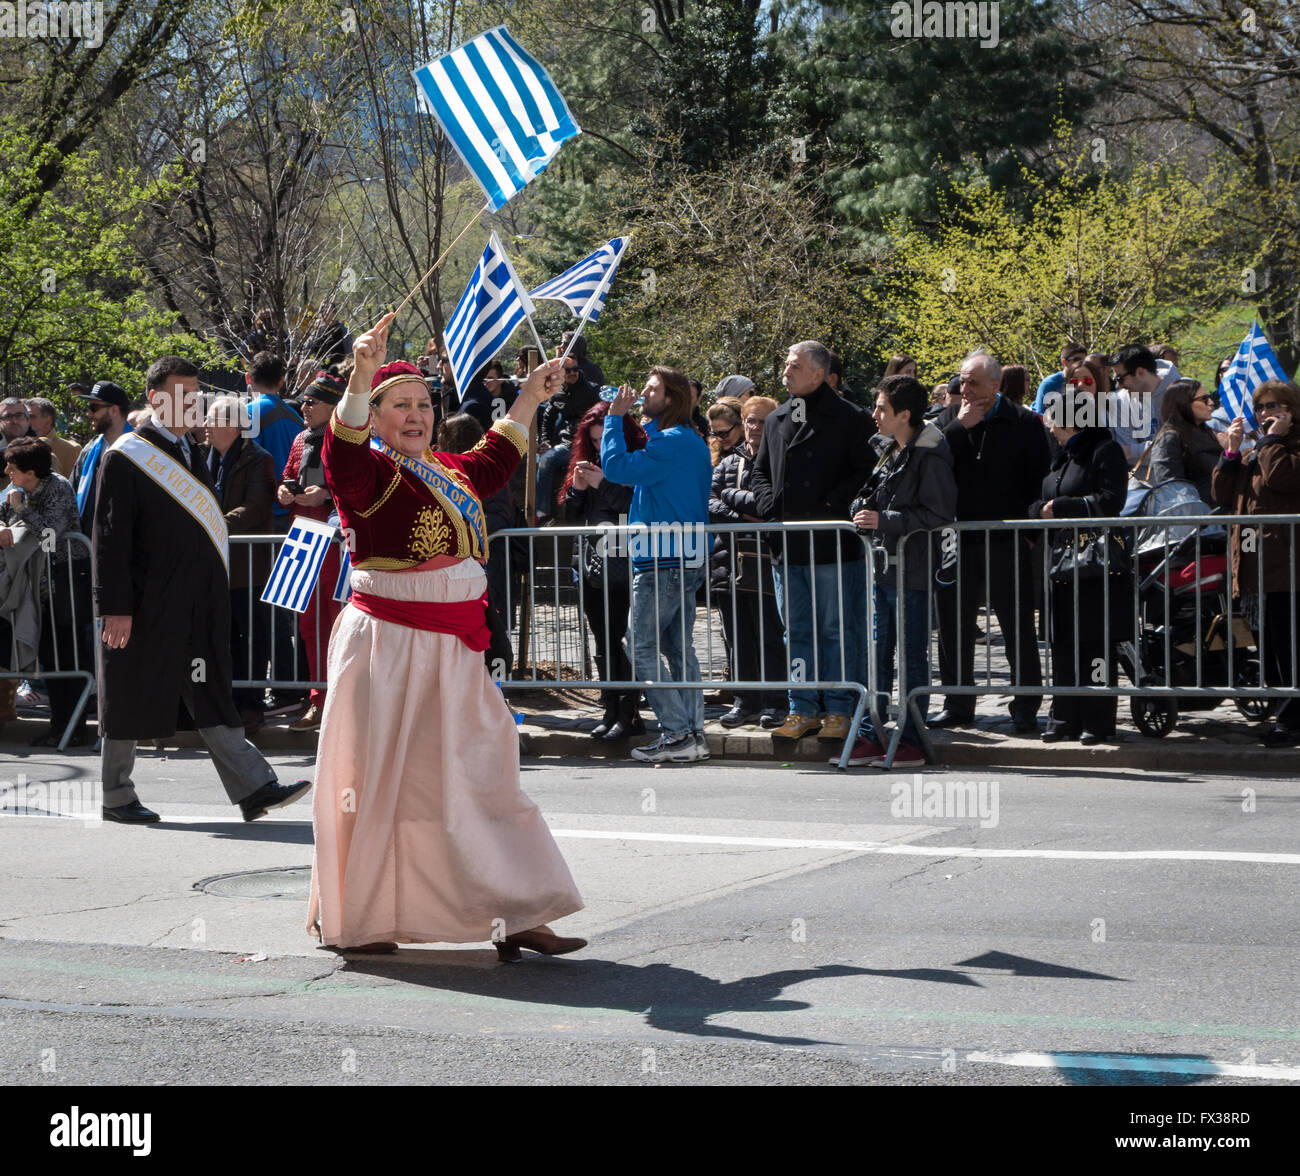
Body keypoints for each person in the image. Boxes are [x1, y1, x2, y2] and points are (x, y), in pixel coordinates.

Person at [309, 312, 586, 960]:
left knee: (486, 775)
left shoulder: (450, 469)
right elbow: (338, 452)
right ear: (374, 418)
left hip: (456, 650)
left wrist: (530, 394)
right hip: (390, 649)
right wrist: (359, 373)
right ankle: (367, 915)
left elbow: (497, 456)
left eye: (424, 404)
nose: (415, 414)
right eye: (398, 405)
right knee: (383, 784)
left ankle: (516, 910)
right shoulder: (367, 476)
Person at [93, 355, 311, 823]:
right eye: (185, 394)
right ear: (156, 399)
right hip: (145, 601)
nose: (196, 402)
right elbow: (110, 538)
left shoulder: (191, 450)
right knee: (129, 692)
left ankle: (255, 788)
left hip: (193, 601)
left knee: (208, 690)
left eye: (197, 393)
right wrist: (115, 607)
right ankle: (115, 795)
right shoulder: (127, 455)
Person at [750, 341, 876, 745]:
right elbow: (759, 472)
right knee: (797, 632)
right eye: (786, 364)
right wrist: (771, 507)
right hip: (787, 547)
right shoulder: (776, 419)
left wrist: (829, 505)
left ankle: (840, 708)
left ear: (819, 374)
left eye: (795, 365)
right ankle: (802, 706)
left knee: (837, 630)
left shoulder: (852, 419)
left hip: (832, 546)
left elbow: (866, 475)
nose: (786, 371)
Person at [932, 350, 1049, 733]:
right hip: (957, 539)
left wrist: (1029, 535)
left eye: (973, 383)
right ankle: (958, 703)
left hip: (1007, 538)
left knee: (1016, 624)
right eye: (962, 381)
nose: (964, 389)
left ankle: (1027, 704)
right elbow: (927, 466)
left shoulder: (1026, 423)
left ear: (996, 386)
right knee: (954, 625)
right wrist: (957, 428)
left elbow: (1040, 481)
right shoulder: (947, 421)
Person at [602, 367, 713, 763]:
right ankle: (693, 735)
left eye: (651, 389)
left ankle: (678, 732)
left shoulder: (670, 443)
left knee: (640, 645)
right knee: (678, 648)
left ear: (671, 399)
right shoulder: (689, 441)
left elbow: (616, 468)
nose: (643, 394)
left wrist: (614, 417)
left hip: (662, 560)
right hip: (681, 557)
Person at [846, 376, 956, 768]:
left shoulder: (930, 452)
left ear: (904, 414)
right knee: (876, 656)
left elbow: (940, 513)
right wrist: (863, 510)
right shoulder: (891, 449)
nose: (874, 415)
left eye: (881, 409)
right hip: (883, 569)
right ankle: (872, 732)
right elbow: (875, 498)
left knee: (910, 657)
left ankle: (910, 738)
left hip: (912, 572)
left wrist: (884, 519)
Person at [1032, 386, 1131, 744]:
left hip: (1095, 565)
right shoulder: (1061, 455)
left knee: (1094, 642)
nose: (1048, 422)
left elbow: (1111, 500)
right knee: (1063, 642)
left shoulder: (1104, 450)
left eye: (1053, 414)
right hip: (1061, 563)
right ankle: (1064, 719)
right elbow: (1045, 496)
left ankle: (1097, 719)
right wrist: (1037, 512)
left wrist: (1063, 509)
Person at [1211, 379, 1300, 746]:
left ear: (1292, 411)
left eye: (1276, 407)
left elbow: (1282, 478)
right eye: (1261, 408)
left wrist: (1271, 441)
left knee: (1289, 646)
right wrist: (1231, 454)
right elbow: (1221, 494)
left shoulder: (1284, 449)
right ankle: (1285, 715)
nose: (1266, 414)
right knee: (1270, 648)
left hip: (1288, 568)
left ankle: (1291, 720)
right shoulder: (1258, 451)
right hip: (1254, 567)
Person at [563, 401, 647, 741]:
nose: (599, 447)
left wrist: (602, 485)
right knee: (602, 641)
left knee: (621, 640)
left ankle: (629, 713)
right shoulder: (588, 463)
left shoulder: (635, 460)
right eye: (594, 441)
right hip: (592, 563)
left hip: (624, 560)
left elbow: (636, 507)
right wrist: (576, 490)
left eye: (604, 439)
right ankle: (610, 708)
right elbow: (571, 518)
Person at [0, 438, 86, 740]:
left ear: (31, 472)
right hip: (35, 585)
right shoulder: (17, 489)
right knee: (49, 656)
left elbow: (51, 534)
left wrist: (22, 510)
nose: (8, 470)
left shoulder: (58, 487)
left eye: (13, 466)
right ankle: (59, 727)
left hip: (63, 581)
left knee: (65, 656)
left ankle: (70, 729)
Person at [276, 370, 348, 732]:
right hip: (302, 535)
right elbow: (288, 475)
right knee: (307, 624)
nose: (303, 406)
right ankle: (317, 698)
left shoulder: (347, 439)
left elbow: (357, 487)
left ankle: (340, 698)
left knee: (338, 621)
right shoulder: (300, 438)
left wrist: (328, 496)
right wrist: (285, 493)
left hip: (334, 539)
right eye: (303, 400)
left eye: (311, 401)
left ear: (332, 406)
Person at [202, 396, 276, 733]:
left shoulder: (259, 460)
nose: (205, 426)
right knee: (222, 638)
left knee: (252, 638)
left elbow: (256, 508)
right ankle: (226, 702)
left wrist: (213, 523)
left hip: (248, 568)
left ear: (232, 425)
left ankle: (251, 704)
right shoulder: (203, 459)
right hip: (217, 567)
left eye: (212, 421)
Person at [713, 396, 786, 729]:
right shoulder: (730, 461)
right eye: (749, 421)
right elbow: (709, 498)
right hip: (729, 561)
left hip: (769, 562)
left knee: (771, 634)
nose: (754, 427)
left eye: (761, 421)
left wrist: (734, 501)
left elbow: (771, 504)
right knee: (737, 636)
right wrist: (737, 513)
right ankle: (745, 700)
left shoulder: (782, 460)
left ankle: (776, 701)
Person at [536, 354, 599, 522]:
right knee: (544, 460)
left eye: (575, 369)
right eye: (568, 370)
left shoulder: (593, 391)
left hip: (589, 447)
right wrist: (546, 441)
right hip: (566, 445)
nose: (572, 373)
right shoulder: (557, 394)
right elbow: (548, 418)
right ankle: (542, 513)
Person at [1143, 379, 1224, 502]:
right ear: (1184, 403)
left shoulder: (1207, 432)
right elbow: (1171, 489)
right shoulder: (1169, 439)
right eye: (1204, 399)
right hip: (1195, 515)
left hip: (1219, 512)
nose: (1211, 402)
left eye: (1209, 397)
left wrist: (1230, 452)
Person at [70, 381, 132, 537]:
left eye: (94, 408)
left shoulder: (142, 449)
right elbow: (72, 494)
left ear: (114, 410)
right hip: (92, 546)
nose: (89, 414)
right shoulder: (89, 450)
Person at [1110, 343, 1181, 459]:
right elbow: (1125, 453)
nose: (1118, 385)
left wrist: (1134, 451)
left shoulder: (1182, 391)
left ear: (1140, 372)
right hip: (1139, 476)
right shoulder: (1120, 400)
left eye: (1120, 378)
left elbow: (1180, 446)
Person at [25, 398, 80, 478]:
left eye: (31, 416)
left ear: (48, 422)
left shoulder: (71, 449)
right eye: (25, 416)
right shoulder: (20, 446)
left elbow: (73, 487)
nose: (26, 421)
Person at [1032, 342, 1087, 413]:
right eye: (1077, 360)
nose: (1081, 364)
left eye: (1084, 361)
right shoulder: (1050, 384)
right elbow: (1040, 416)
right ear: (1064, 362)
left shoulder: (1085, 383)